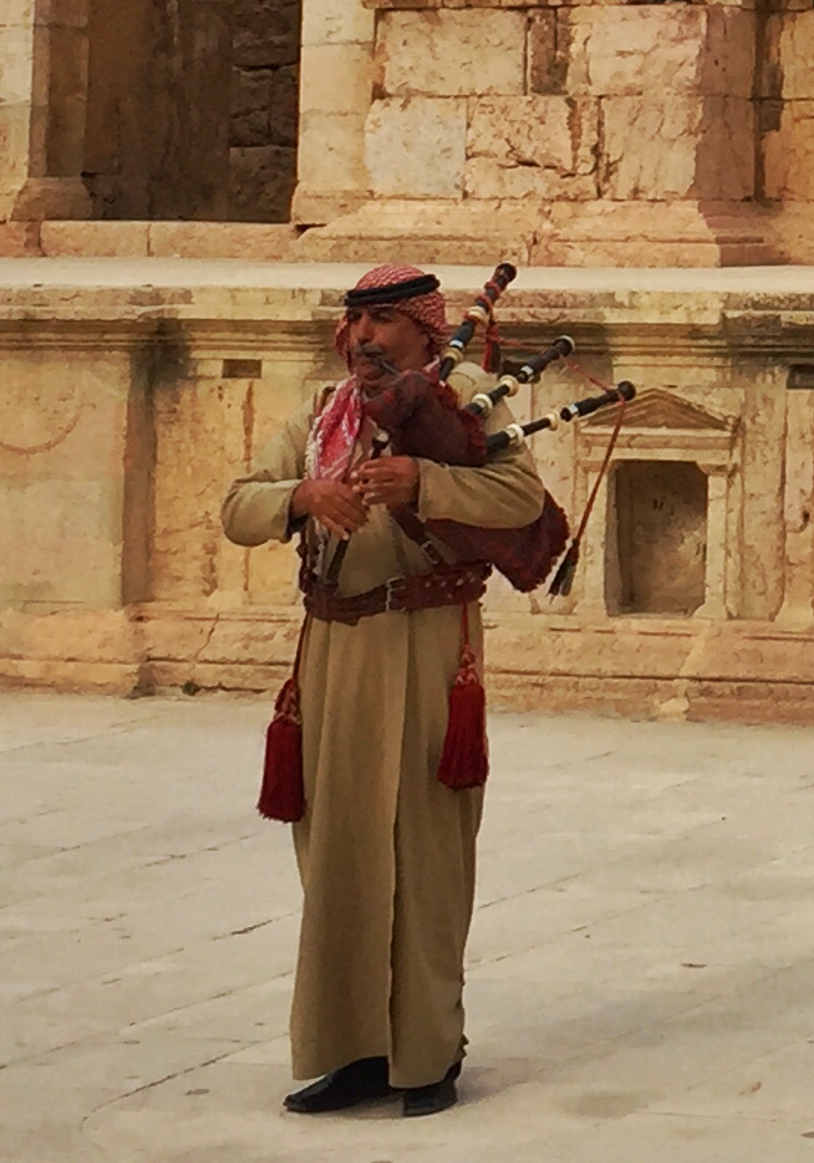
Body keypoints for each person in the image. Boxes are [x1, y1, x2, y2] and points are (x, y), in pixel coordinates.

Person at [221, 265, 549, 1116]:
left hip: (425, 639)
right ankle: (351, 1048)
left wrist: (426, 484)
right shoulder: (323, 413)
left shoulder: (466, 395)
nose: (364, 339)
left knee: (424, 850)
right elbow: (236, 505)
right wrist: (302, 494)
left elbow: (520, 496)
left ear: (423, 330)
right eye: (355, 325)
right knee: (338, 852)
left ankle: (427, 1055)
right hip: (330, 648)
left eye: (383, 325)